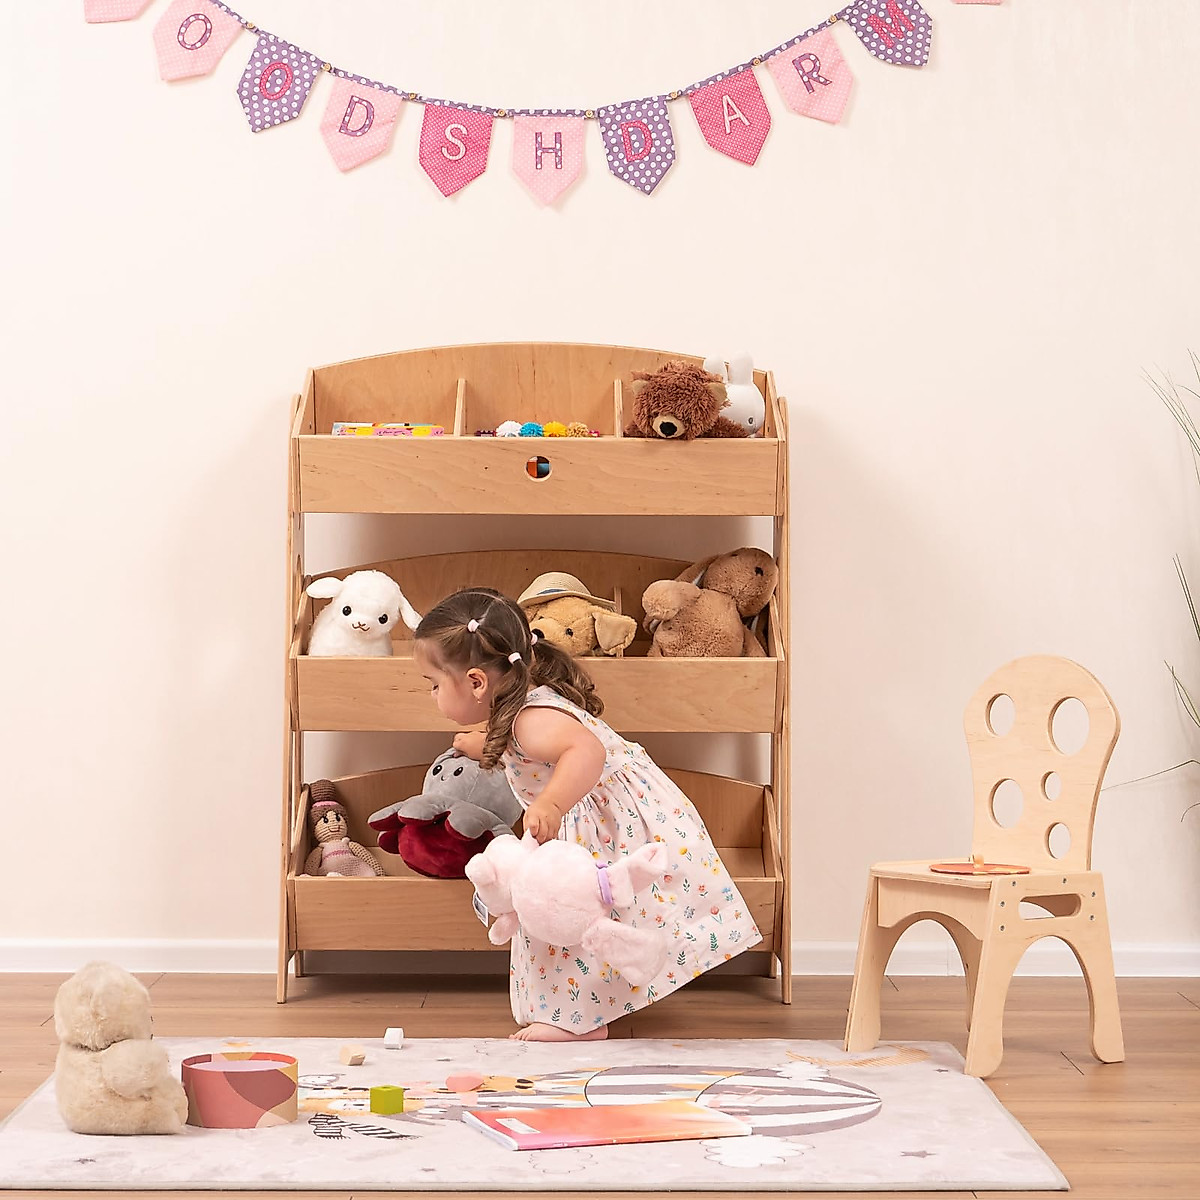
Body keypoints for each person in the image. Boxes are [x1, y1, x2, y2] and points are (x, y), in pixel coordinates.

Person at [413, 587, 762, 1040]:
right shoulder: (519, 711)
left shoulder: (531, 720)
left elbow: (586, 748)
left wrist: (551, 802)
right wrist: (487, 746)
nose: (434, 696)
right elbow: (531, 747)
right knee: (563, 917)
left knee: (565, 916)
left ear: (477, 682)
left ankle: (575, 1019)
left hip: (608, 824)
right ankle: (583, 1013)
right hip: (599, 819)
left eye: (435, 685)